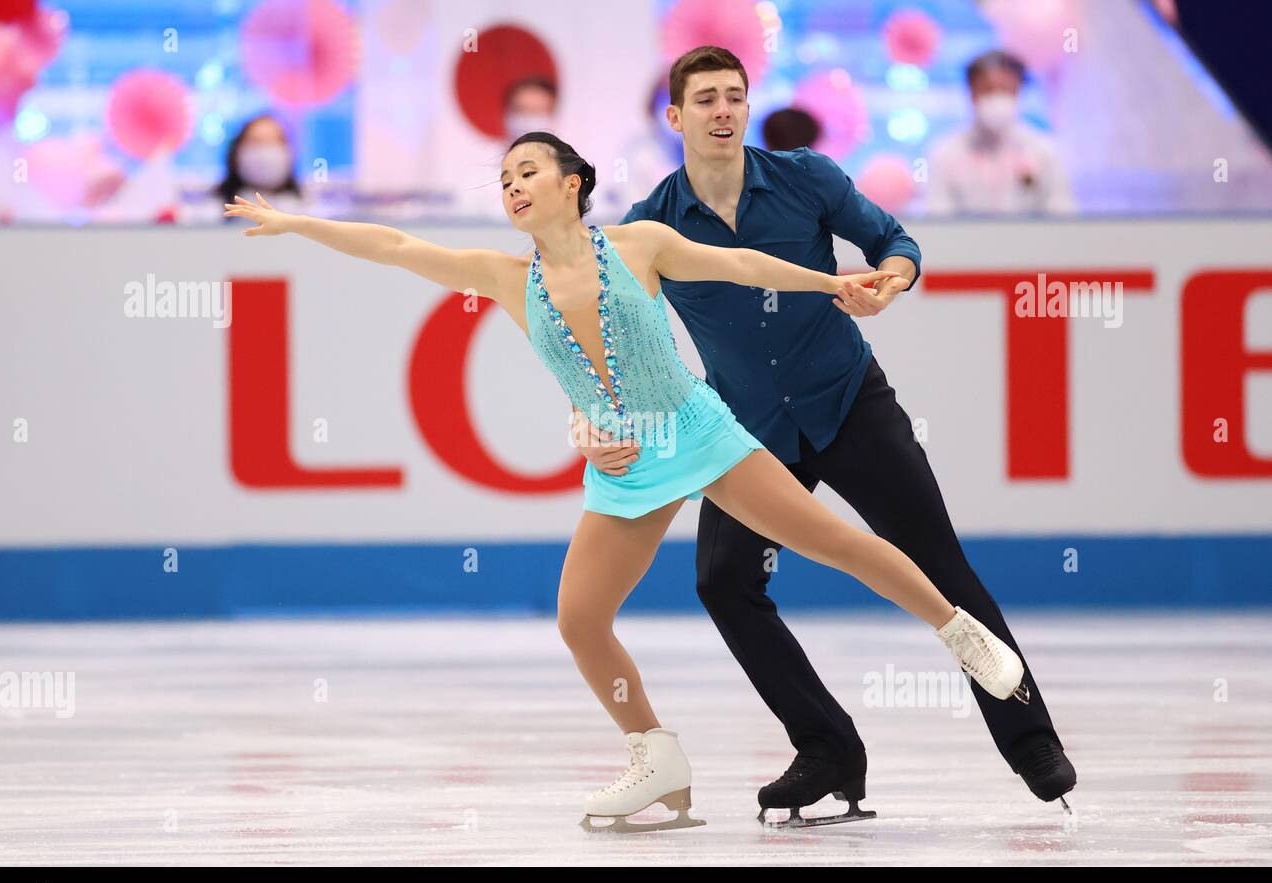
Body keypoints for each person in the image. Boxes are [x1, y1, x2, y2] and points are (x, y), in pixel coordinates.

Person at [223, 130, 1029, 833]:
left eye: (527, 172)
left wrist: (831, 284)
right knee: (580, 618)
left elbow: (742, 265)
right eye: (503, 181)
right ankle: (656, 756)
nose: (512, 188)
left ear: (572, 184)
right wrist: (296, 222)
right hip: (625, 461)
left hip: (698, 432)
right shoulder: (507, 277)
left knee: (837, 544)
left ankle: (960, 633)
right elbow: (396, 247)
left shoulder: (639, 243)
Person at [590, 46, 1074, 818]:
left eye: (735, 97)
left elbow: (895, 241)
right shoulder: (649, 227)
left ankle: (1030, 738)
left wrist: (893, 281)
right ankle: (828, 747)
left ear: (749, 108)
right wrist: (602, 421)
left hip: (850, 405)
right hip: (747, 435)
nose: (723, 110)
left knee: (938, 562)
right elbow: (615, 341)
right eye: (706, 98)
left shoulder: (806, 178)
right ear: (674, 117)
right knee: (724, 582)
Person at [925, 50, 1076, 215]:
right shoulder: (946, 153)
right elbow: (938, 217)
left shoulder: (1043, 150)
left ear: (1019, 90)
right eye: (988, 90)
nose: (997, 98)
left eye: (1006, 90)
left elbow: (1062, 213)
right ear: (971, 92)